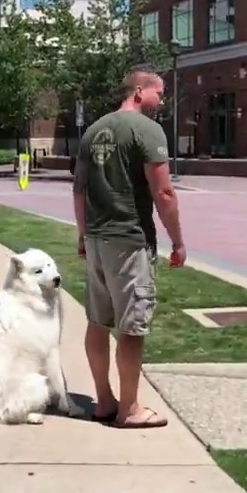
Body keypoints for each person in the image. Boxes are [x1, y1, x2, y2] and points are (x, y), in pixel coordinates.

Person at [72, 69, 185, 429]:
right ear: (139, 92)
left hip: (96, 239)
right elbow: (163, 192)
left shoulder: (92, 130)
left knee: (97, 321)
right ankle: (130, 408)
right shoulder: (147, 130)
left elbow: (79, 190)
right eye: (159, 93)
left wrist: (82, 235)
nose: (162, 100)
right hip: (129, 240)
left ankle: (104, 401)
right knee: (132, 327)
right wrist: (177, 241)